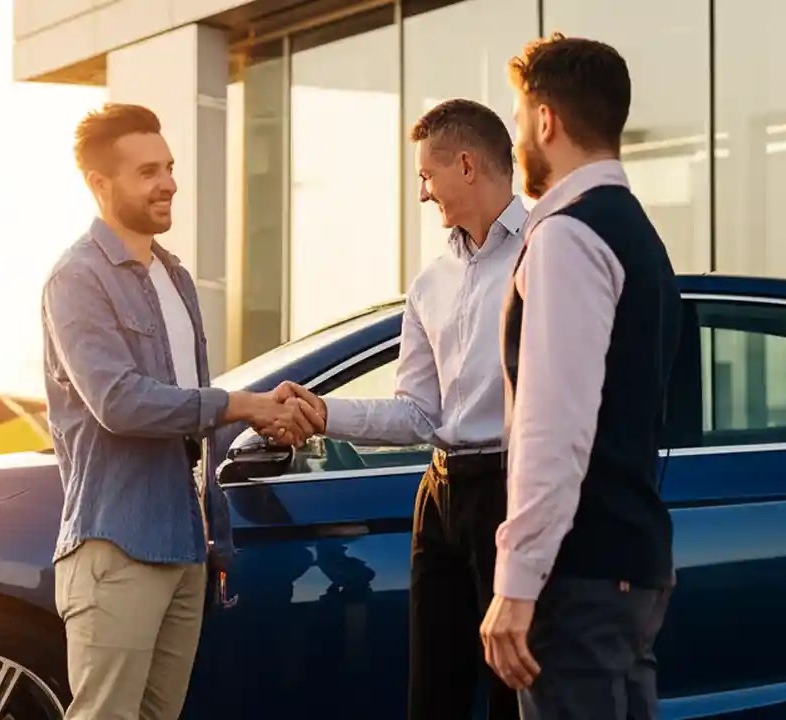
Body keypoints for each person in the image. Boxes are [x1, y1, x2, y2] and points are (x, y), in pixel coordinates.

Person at [42, 102, 323, 720]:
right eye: (147, 171)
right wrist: (241, 404)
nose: (168, 182)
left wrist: (217, 534)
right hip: (117, 545)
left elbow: (189, 414)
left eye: (168, 167)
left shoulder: (176, 277)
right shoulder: (77, 279)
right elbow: (120, 402)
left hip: (186, 546)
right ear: (100, 183)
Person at [277, 99, 525, 720]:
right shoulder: (430, 283)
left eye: (426, 175)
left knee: (513, 696)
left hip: (514, 493)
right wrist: (323, 413)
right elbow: (417, 414)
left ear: (465, 164)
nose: (422, 193)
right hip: (439, 497)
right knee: (432, 696)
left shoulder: (545, 253)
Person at [479, 33, 682, 720]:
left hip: (581, 572)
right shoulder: (639, 235)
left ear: (544, 120)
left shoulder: (568, 234)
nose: (518, 139)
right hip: (628, 565)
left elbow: (553, 425)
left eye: (516, 119)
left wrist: (517, 579)